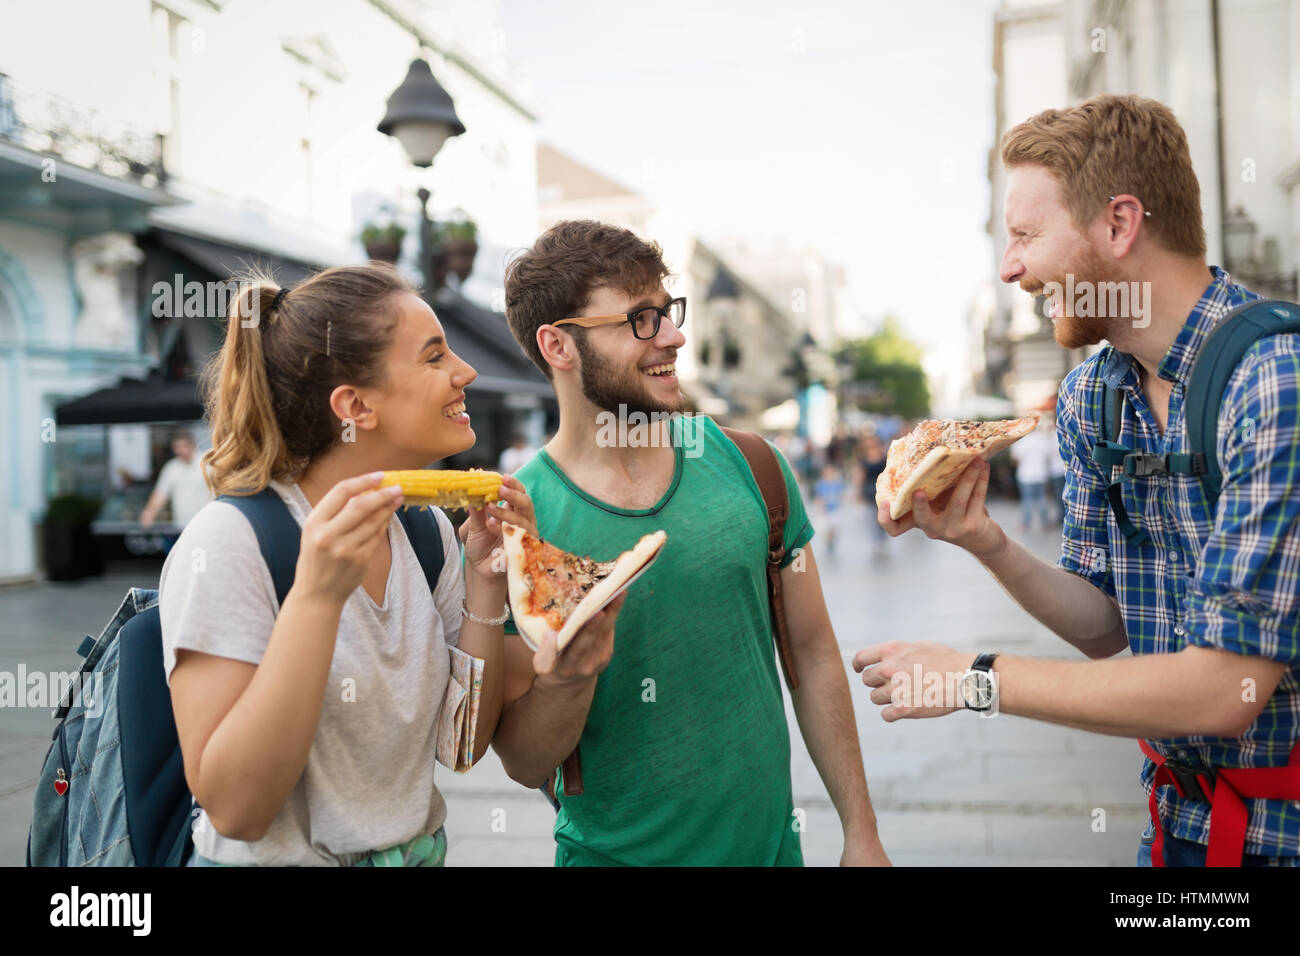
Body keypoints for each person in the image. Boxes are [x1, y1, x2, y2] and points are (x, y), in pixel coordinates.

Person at [858, 93, 1300, 866]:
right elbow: (1105, 627)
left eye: (1026, 235)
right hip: (1176, 831)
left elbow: (1222, 690)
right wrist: (985, 541)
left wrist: (974, 677)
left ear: (1120, 225)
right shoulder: (1094, 396)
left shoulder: (1274, 380)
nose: (1010, 268)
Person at [494, 220, 890, 866]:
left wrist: (861, 831)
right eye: (640, 320)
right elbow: (521, 759)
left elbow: (815, 655)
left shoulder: (755, 467)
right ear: (558, 346)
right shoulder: (516, 524)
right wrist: (570, 676)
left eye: (668, 312)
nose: (673, 337)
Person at [158, 264, 559, 866]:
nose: (466, 372)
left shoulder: (423, 536)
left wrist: (486, 581)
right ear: (354, 406)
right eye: (433, 357)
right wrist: (316, 599)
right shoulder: (231, 544)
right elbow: (237, 810)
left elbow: (462, 746)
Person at [140, 431, 211, 528]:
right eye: (177, 447)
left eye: (184, 446)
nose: (181, 450)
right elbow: (160, 494)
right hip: (180, 528)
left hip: (206, 526)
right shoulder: (171, 468)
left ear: (192, 444)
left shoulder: (207, 463)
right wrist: (149, 512)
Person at [1010, 416, 1055, 532]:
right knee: (1042, 499)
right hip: (1041, 474)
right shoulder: (1043, 440)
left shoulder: (1021, 441)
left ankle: (1025, 523)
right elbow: (1049, 457)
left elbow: (1015, 459)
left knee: (1027, 500)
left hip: (1025, 475)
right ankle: (1045, 522)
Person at [812, 462, 846, 556]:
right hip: (826, 510)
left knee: (835, 528)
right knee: (826, 528)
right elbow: (818, 497)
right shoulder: (821, 484)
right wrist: (820, 508)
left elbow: (841, 494)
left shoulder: (837, 483)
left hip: (835, 509)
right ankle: (828, 541)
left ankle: (831, 539)